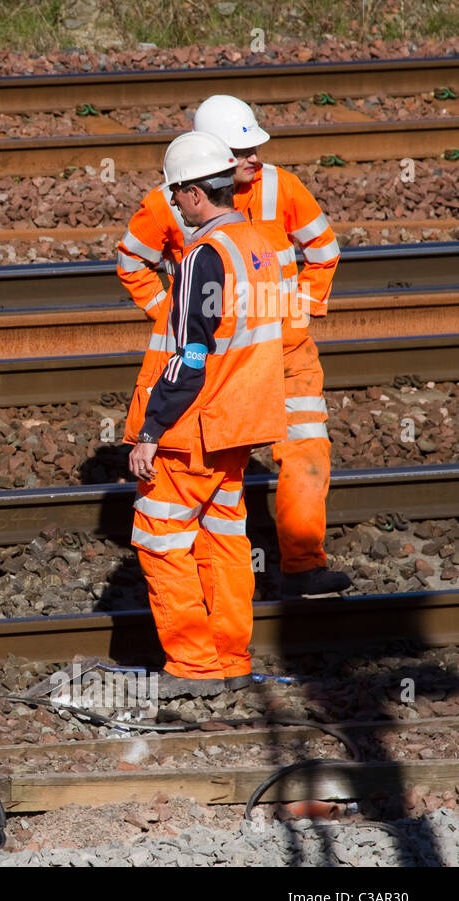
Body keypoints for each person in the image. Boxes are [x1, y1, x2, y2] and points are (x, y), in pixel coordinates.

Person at [117, 94, 349, 597]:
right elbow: (133, 262)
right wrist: (172, 317)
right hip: (218, 364)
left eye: (255, 149)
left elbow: (324, 252)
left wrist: (297, 312)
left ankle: (303, 566)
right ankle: (213, 574)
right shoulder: (172, 201)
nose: (253, 160)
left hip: (285, 354)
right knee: (218, 464)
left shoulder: (281, 188)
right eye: (241, 151)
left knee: (306, 449)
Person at [124, 131, 287, 697]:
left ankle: (194, 667)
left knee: (162, 538)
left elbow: (190, 357)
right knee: (223, 539)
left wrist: (150, 429)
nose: (172, 206)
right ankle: (231, 658)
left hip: (193, 429)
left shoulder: (203, 257)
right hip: (241, 425)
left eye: (175, 195)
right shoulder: (259, 246)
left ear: (195, 193)